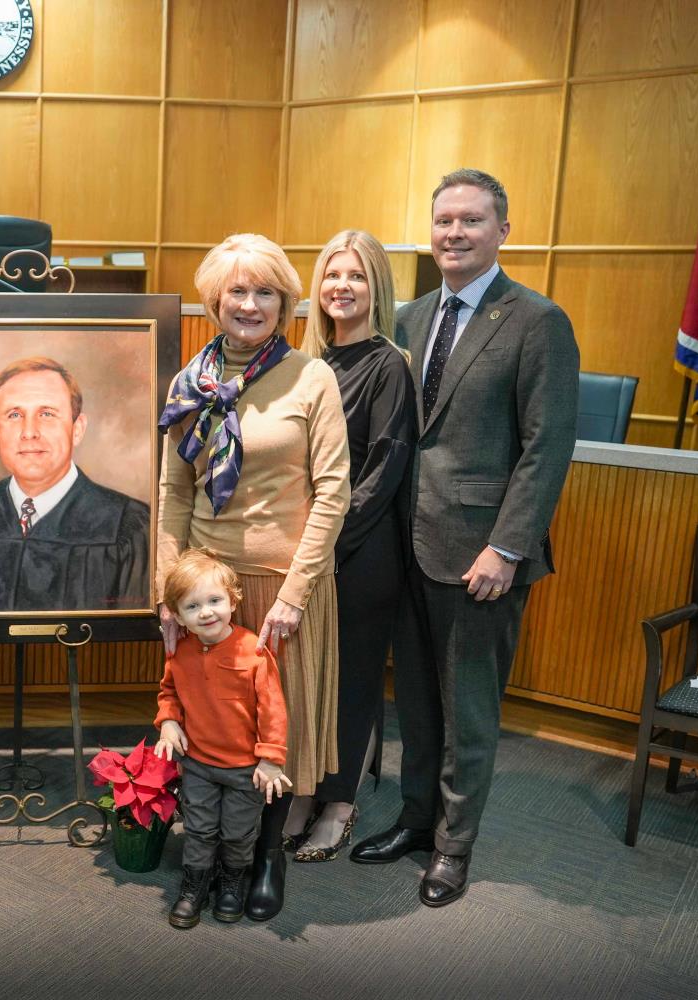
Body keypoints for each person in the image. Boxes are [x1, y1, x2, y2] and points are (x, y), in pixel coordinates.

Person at [350, 169, 579, 907]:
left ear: (502, 231)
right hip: (407, 547)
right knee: (414, 704)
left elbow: (547, 446)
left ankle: (454, 847)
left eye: (471, 221)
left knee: (468, 711)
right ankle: (416, 822)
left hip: (480, 555)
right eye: (444, 219)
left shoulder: (537, 320)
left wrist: (507, 548)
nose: (454, 233)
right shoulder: (410, 316)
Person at [156, 233, 349, 921]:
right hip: (206, 585)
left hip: (281, 586)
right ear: (215, 300)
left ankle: (266, 859)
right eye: (237, 290)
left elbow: (334, 493)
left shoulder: (310, 376)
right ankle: (209, 857)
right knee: (213, 726)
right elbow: (174, 493)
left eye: (265, 291)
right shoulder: (190, 381)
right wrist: (168, 592)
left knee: (274, 731)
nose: (250, 303)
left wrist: (295, 595)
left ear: (285, 303)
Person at [292, 231, 415, 861]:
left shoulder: (389, 363)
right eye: (332, 274)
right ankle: (306, 788)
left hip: (359, 554)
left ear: (378, 288)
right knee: (305, 678)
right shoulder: (306, 364)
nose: (342, 286)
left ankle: (339, 803)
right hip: (305, 550)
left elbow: (384, 469)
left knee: (352, 680)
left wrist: (324, 545)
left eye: (357, 276)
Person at [0, 356, 150, 612]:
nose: (29, 431)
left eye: (46, 413)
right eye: (14, 414)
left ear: (77, 429)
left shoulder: (127, 528)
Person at [154, 548, 288, 928]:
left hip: (246, 769)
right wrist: (168, 722)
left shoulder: (255, 651)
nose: (207, 612)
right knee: (198, 827)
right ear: (178, 616)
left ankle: (232, 881)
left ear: (232, 600)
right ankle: (195, 884)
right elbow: (170, 694)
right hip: (198, 764)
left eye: (215, 600)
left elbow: (273, 709)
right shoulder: (178, 651)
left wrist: (271, 758)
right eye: (193, 606)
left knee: (239, 831)